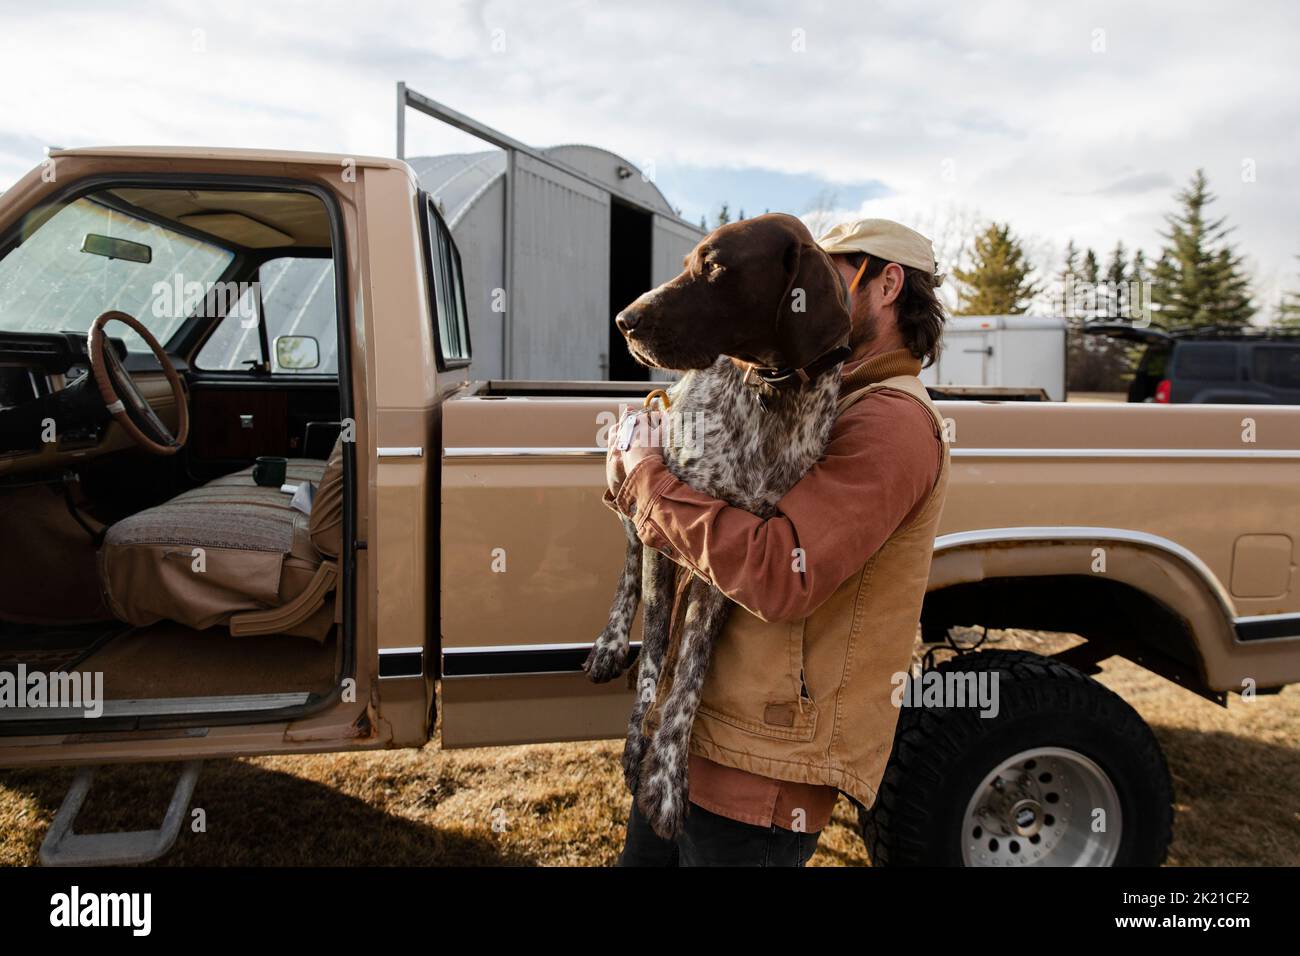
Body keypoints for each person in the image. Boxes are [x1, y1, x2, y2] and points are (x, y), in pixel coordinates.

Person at [605, 219, 952, 866]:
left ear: (887, 284)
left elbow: (778, 574)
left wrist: (645, 482)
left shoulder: (889, 421)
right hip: (689, 741)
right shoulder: (808, 392)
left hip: (758, 770)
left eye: (831, 273)